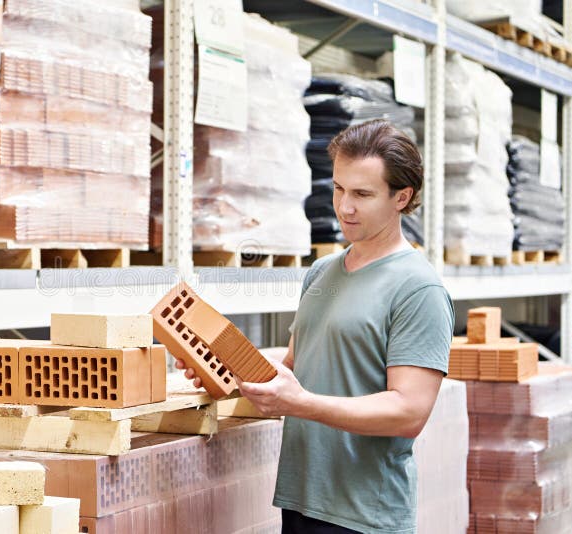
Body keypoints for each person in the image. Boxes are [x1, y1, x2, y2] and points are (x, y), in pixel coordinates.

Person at [176, 119, 454, 533]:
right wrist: (221, 366)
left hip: (364, 516)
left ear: (403, 197)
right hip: (301, 500)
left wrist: (299, 403)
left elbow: (408, 411)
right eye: (339, 188)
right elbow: (294, 367)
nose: (344, 207)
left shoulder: (418, 287)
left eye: (362, 193)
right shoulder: (322, 272)